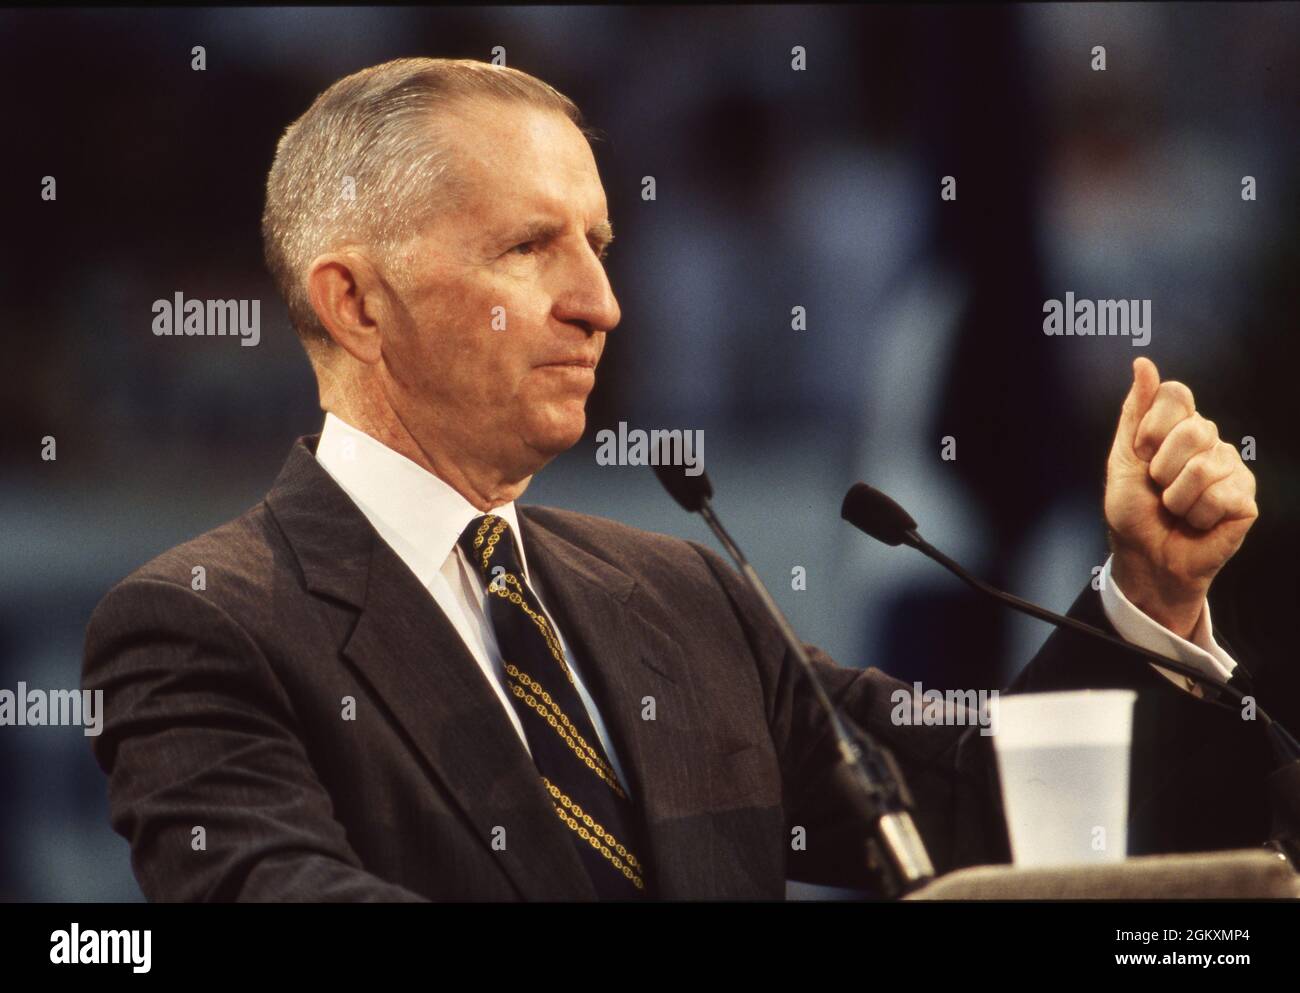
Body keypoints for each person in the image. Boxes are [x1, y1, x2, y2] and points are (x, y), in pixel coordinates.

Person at [83, 58, 1261, 901]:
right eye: (528, 246)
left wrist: (1148, 594)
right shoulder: (200, 624)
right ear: (354, 301)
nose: (601, 303)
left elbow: (975, 813)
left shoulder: (684, 599)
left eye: (599, 246)